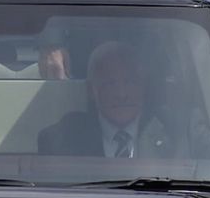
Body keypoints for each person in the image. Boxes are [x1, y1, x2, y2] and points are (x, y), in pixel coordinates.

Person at [37, 41, 174, 158]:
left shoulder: (174, 133)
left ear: (143, 85)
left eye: (130, 82)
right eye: (110, 84)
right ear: (91, 90)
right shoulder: (62, 139)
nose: (121, 94)